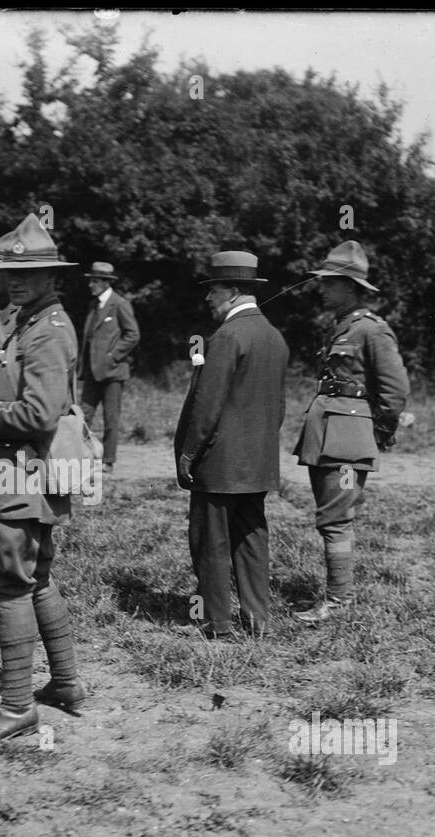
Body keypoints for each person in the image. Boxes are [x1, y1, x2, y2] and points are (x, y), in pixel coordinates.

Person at [0, 214, 86, 745]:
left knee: (11, 583)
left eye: (27, 273)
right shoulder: (21, 321)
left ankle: (16, 708)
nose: (15, 280)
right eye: (8, 272)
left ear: (51, 275)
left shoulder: (48, 331)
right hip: (20, 471)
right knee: (36, 579)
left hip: (21, 472)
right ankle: (65, 684)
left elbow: (38, 413)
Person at [291, 241, 409, 624]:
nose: (321, 288)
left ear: (351, 286)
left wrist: (380, 434)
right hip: (326, 432)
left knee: (335, 517)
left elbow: (395, 391)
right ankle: (338, 596)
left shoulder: (373, 331)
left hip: (348, 439)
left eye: (329, 282)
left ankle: (339, 601)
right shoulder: (341, 327)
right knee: (330, 515)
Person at [174, 251, 289, 638]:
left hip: (219, 465)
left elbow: (206, 405)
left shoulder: (226, 337)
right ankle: (258, 621)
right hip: (257, 465)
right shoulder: (274, 337)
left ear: (234, 291)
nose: (207, 298)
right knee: (251, 542)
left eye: (214, 290)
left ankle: (217, 624)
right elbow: (279, 409)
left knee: (210, 543)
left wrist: (189, 453)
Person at [78, 261, 140, 472]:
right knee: (83, 416)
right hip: (91, 372)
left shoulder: (120, 304)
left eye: (94, 281)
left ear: (105, 282)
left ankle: (108, 461)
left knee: (110, 419)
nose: (90, 285)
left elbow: (133, 334)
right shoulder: (92, 305)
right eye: (91, 281)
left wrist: (113, 356)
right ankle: (82, 457)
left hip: (113, 372)